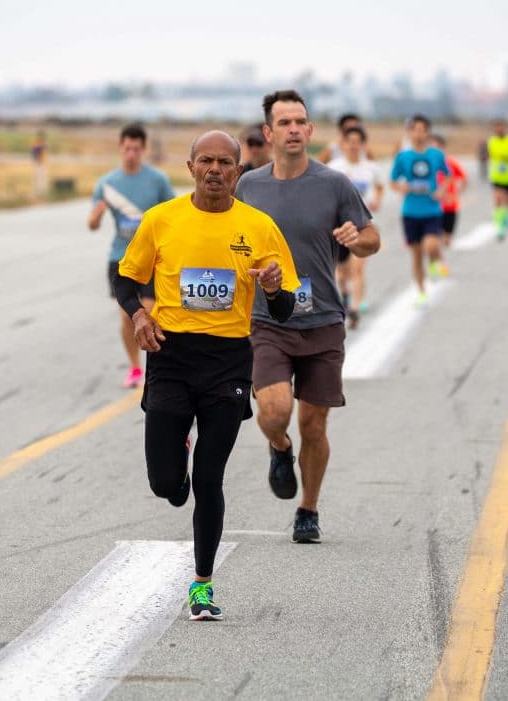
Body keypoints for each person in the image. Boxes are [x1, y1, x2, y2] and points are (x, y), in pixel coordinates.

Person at [115, 129, 299, 621]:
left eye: (225, 163)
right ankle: (175, 464)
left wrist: (277, 290)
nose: (215, 170)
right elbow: (125, 279)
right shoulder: (162, 220)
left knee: (209, 479)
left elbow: (282, 310)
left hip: (228, 361)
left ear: (239, 172)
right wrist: (138, 316)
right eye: (206, 161)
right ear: (190, 167)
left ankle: (202, 585)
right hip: (171, 358)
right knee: (165, 483)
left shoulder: (259, 227)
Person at [235, 90, 380, 544]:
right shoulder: (249, 186)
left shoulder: (334, 184)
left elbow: (372, 238)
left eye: (300, 121)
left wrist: (357, 239)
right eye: (284, 123)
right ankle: (279, 448)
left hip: (322, 321)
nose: (294, 129)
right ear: (268, 132)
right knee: (275, 412)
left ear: (311, 131)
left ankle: (308, 509)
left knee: (314, 424)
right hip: (267, 321)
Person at [89, 124, 176, 388]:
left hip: (152, 258)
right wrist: (96, 216)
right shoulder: (107, 184)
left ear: (144, 149)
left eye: (136, 149)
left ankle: (154, 369)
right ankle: (135, 368)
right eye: (127, 149)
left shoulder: (157, 180)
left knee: (148, 313)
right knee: (127, 316)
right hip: (120, 257)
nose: (131, 154)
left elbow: (171, 216)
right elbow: (92, 226)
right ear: (120, 148)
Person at [327, 125, 384, 326]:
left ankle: (354, 308)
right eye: (349, 142)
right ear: (342, 144)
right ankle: (345, 294)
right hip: (339, 226)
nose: (353, 146)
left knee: (358, 268)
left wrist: (377, 199)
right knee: (342, 272)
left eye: (357, 143)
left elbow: (379, 187)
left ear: (363, 145)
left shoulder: (371, 167)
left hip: (362, 224)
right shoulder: (334, 167)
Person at [391, 115, 449, 303]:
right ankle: (422, 291)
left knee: (431, 245)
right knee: (416, 256)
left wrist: (441, 190)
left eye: (423, 129)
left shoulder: (436, 154)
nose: (419, 133)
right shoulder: (403, 156)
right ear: (409, 132)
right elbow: (393, 181)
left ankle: (435, 260)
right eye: (415, 129)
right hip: (410, 212)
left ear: (428, 132)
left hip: (432, 209)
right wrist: (401, 187)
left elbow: (448, 176)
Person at [486, 121, 508, 238]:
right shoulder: (491, 141)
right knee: (497, 199)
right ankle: (498, 224)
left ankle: (505, 219)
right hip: (497, 176)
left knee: (507, 201)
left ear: (505, 128)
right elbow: (490, 156)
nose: (499, 130)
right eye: (497, 127)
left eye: (501, 127)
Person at [433, 133, 467, 251]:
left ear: (443, 147)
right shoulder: (428, 164)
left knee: (447, 240)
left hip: (450, 207)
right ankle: (436, 262)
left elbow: (463, 178)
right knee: (434, 239)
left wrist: (457, 194)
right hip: (435, 207)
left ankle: (441, 261)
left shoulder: (451, 163)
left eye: (438, 147)